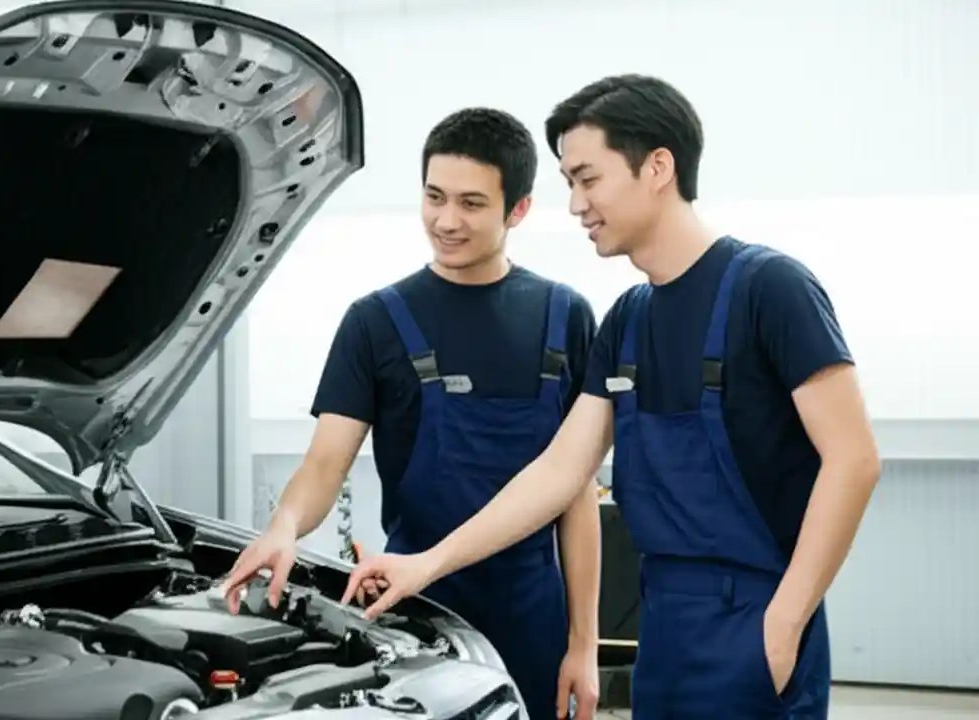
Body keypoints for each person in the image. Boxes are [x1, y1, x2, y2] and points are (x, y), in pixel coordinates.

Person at [341, 75, 881, 720]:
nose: (575, 204)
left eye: (588, 179)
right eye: (569, 182)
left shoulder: (771, 289)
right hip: (664, 626)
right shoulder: (628, 318)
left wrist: (785, 620)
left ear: (657, 167)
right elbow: (559, 470)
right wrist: (425, 564)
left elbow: (853, 459)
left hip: (756, 617)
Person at [218, 107, 602, 719]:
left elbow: (575, 497)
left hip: (536, 620)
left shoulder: (566, 317)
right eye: (434, 197)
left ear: (519, 209)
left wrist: (583, 645)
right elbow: (324, 466)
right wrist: (283, 527)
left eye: (472, 204)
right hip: (416, 616)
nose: (446, 221)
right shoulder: (375, 322)